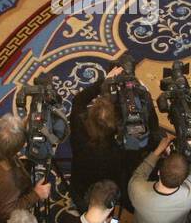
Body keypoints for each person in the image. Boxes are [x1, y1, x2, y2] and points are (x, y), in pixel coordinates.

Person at [67, 66, 158, 211]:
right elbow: (153, 134)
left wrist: (103, 82)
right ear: (118, 124)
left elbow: (78, 100)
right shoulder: (124, 147)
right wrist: (145, 96)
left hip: (80, 189)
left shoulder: (79, 132)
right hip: (113, 190)